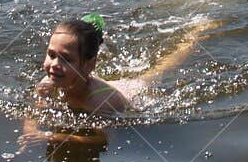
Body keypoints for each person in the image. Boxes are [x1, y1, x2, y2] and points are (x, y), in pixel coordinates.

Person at [33, 12, 209, 115]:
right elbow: (34, 113)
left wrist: (51, 136)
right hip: (112, 84)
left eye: (66, 59)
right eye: (51, 55)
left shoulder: (100, 103)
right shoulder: (48, 83)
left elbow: (102, 138)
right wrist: (30, 131)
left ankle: (197, 34)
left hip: (134, 92)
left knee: (162, 69)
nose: (54, 64)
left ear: (88, 65)